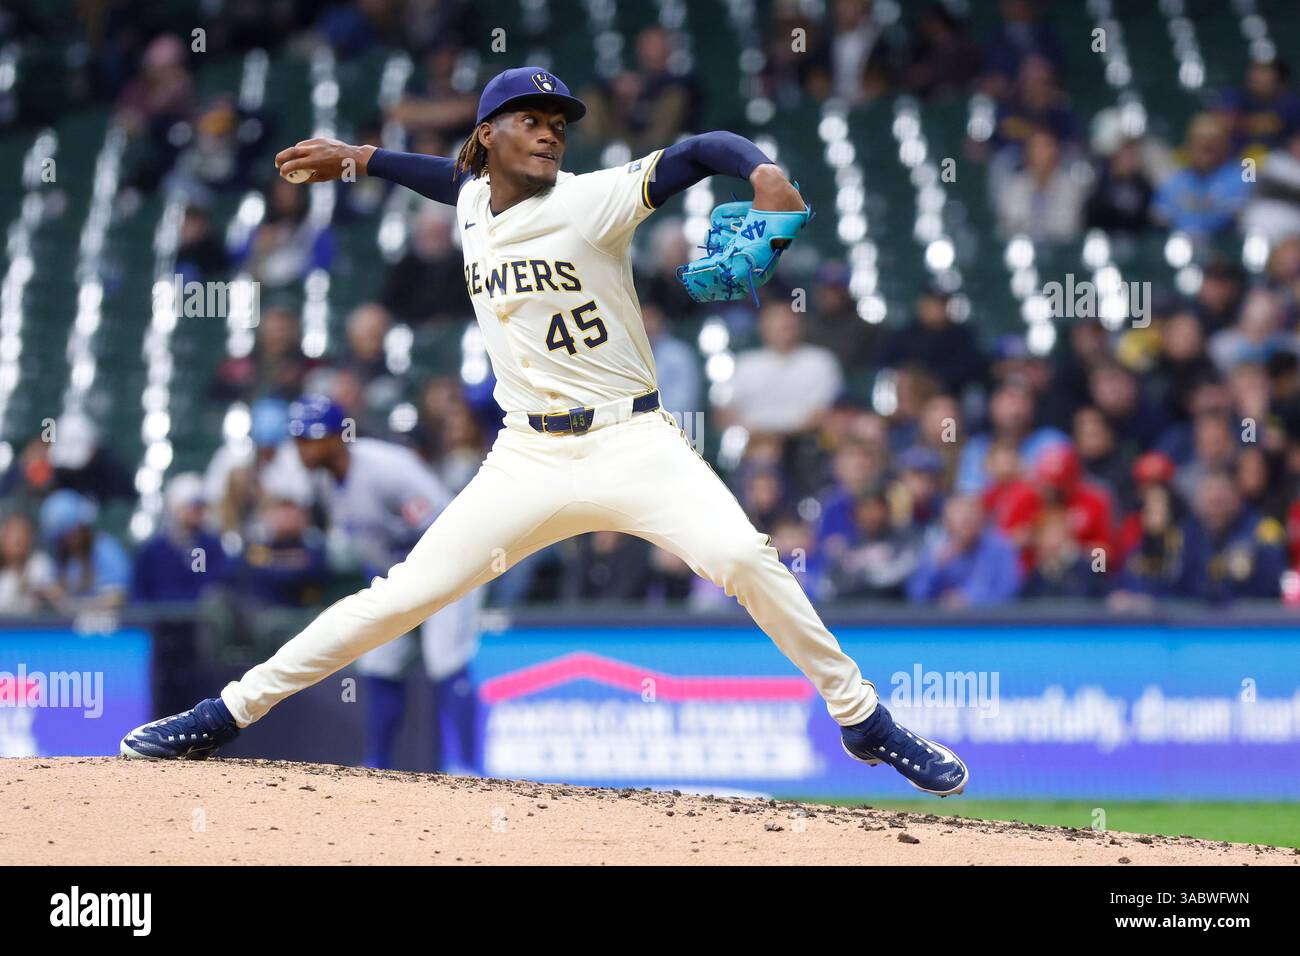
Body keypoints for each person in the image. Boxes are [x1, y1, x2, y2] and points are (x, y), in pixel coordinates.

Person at [121, 66, 969, 798]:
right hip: (528, 455)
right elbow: (440, 178)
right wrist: (360, 158)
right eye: (530, 119)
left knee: (748, 559)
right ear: (486, 135)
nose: (550, 133)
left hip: (634, 444)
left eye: (558, 122)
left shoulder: (592, 201)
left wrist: (766, 172)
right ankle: (223, 715)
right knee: (402, 598)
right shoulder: (469, 202)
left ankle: (861, 718)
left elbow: (699, 148)